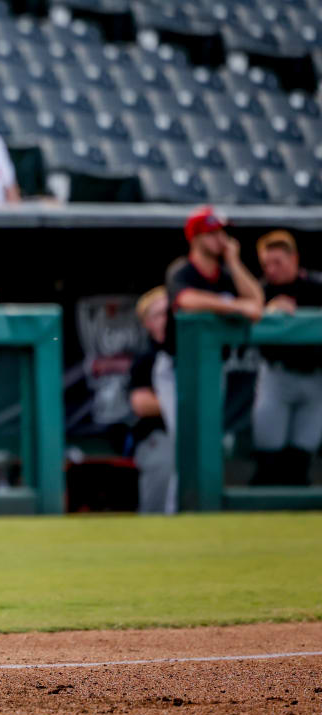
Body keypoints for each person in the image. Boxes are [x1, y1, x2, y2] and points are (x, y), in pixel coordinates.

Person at [154, 207, 265, 454]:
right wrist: (234, 305)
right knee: (185, 440)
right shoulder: (182, 270)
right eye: (212, 233)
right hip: (177, 366)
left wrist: (234, 262)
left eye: (222, 233)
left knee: (208, 439)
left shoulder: (225, 275)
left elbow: (257, 301)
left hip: (213, 366)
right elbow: (186, 299)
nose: (220, 239)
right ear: (195, 238)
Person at [251, 229, 322, 485]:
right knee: (268, 453)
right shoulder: (259, 291)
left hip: (314, 378)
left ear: (294, 259)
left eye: (277, 262)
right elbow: (241, 312)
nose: (271, 270)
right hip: (276, 375)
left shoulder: (315, 286)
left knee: (301, 455)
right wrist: (266, 312)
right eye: (266, 264)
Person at [127, 287, 175, 513]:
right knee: (164, 463)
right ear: (147, 323)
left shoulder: (194, 350)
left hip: (193, 436)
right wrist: (183, 402)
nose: (167, 320)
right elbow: (141, 403)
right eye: (159, 314)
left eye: (170, 313)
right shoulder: (146, 357)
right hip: (157, 436)